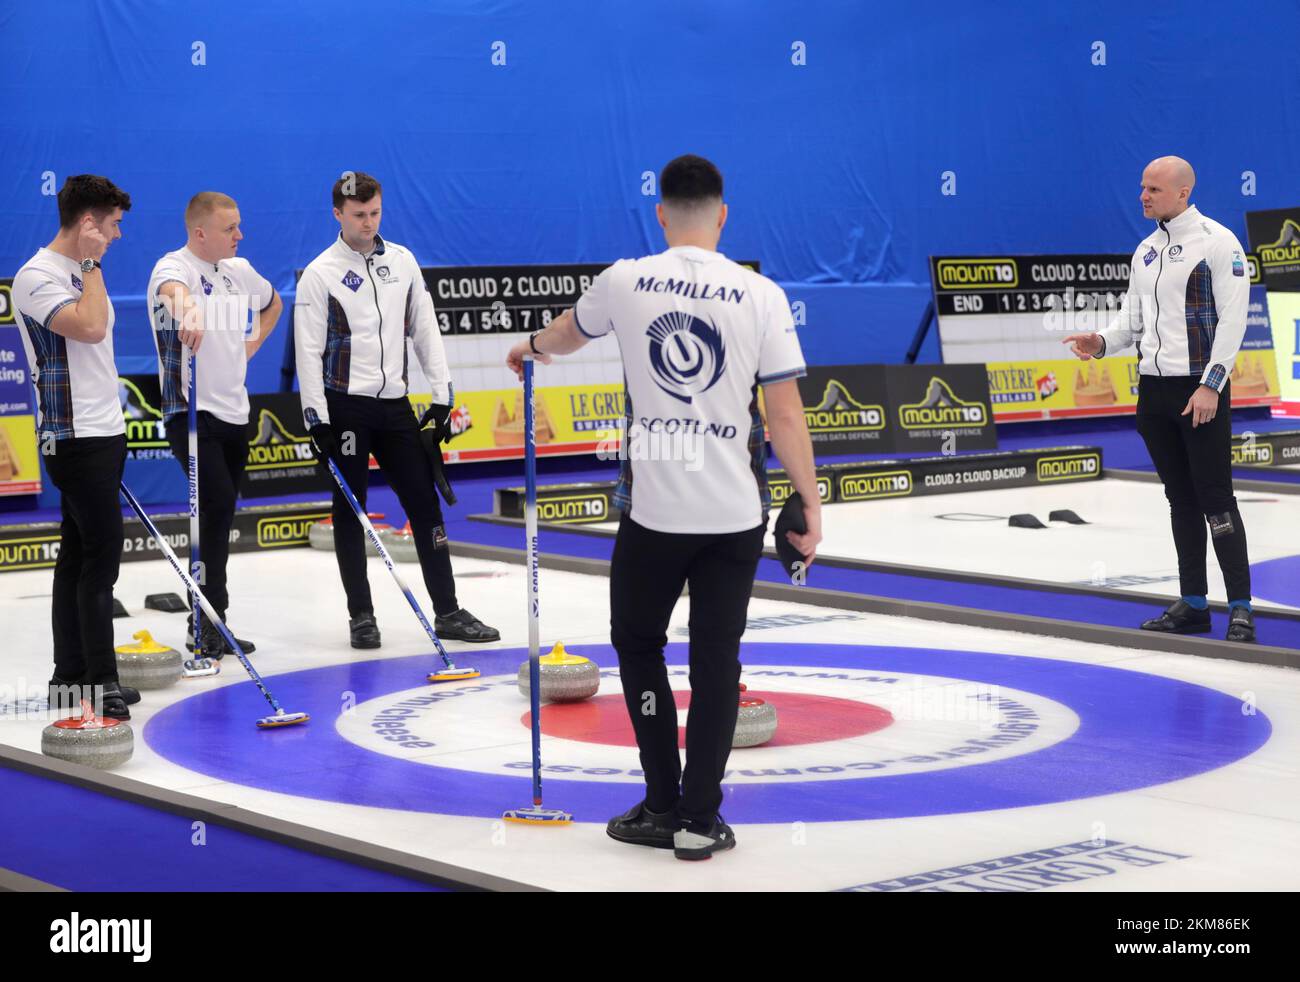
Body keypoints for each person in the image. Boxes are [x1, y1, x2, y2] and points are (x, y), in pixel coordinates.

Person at [505, 154, 822, 860]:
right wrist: (809, 501)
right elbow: (786, 413)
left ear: (660, 213)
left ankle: (660, 799)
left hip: (654, 514)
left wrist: (528, 351)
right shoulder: (760, 293)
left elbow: (563, 332)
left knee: (640, 647)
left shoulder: (624, 279)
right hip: (735, 514)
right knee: (717, 662)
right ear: (723, 213)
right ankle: (699, 819)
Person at [295, 171, 498, 647]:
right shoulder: (321, 272)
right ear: (338, 214)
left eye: (375, 213)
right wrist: (315, 419)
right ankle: (361, 616)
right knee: (350, 510)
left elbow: (424, 328)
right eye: (359, 215)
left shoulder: (403, 261)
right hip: (345, 408)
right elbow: (307, 351)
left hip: (395, 405)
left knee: (425, 504)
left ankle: (448, 611)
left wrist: (443, 394)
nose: (368, 223)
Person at [1065, 155, 1255, 642]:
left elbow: (1233, 322)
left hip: (1199, 389)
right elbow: (1131, 321)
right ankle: (1194, 602)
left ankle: (1240, 607)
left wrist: (1212, 384)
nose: (1143, 196)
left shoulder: (1218, 243)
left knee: (1216, 498)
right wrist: (1100, 343)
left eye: (1153, 189)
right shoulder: (1146, 250)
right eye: (1142, 187)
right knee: (1180, 500)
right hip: (1154, 393)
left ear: (1182, 194)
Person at [11, 175, 138, 719]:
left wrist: (90, 267)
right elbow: (87, 328)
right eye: (111, 225)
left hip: (106, 431)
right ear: (88, 223)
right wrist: (89, 264)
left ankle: (70, 676)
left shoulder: (85, 271)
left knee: (77, 555)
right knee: (100, 563)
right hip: (73, 437)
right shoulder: (37, 276)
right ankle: (100, 682)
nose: (116, 235)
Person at [148, 191, 283, 656]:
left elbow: (273, 304)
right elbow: (171, 291)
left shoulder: (239, 272)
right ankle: (202, 624)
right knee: (214, 504)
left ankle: (213, 620)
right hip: (190, 411)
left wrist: (252, 343)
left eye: (239, 226)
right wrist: (186, 310)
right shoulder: (175, 265)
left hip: (234, 412)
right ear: (200, 232)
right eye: (230, 229)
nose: (240, 236)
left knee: (221, 516)